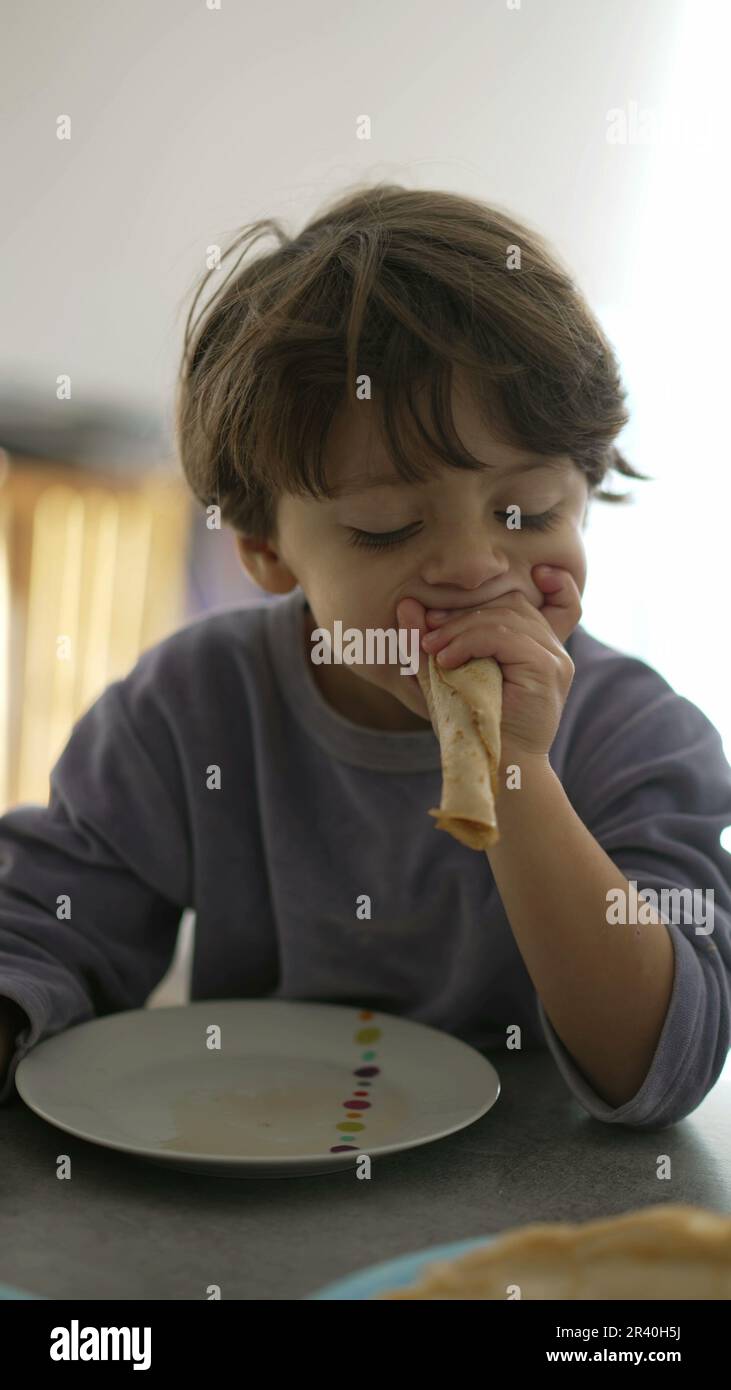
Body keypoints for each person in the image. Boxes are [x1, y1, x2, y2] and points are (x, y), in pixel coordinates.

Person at [1, 183, 729, 1129]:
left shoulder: (638, 737)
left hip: (531, 1219)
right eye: (386, 529)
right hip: (249, 1184)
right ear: (265, 549)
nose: (475, 565)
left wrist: (513, 771)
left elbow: (660, 1063)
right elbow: (43, 928)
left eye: (527, 512)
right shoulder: (191, 711)